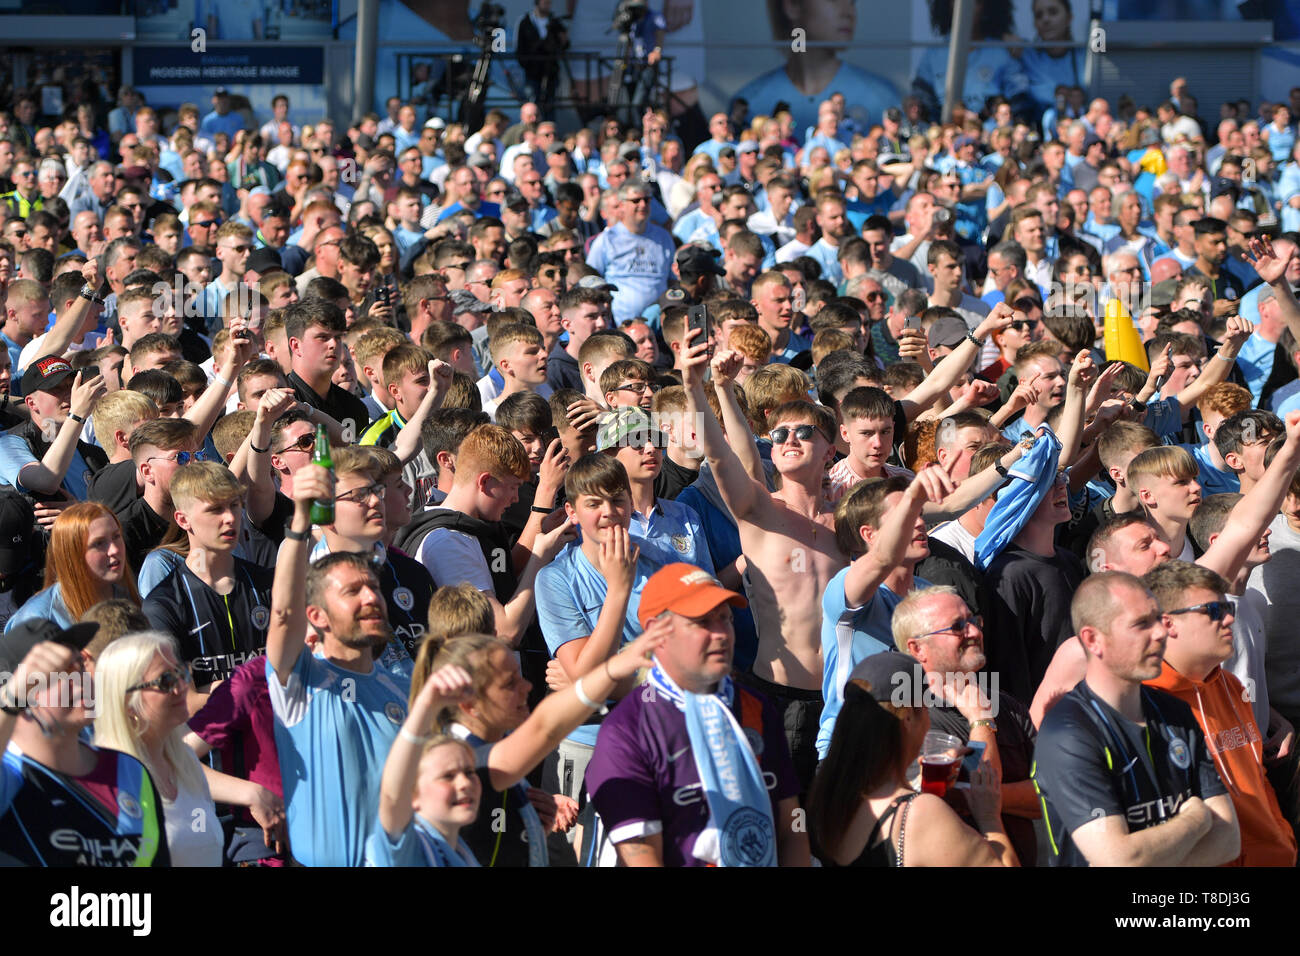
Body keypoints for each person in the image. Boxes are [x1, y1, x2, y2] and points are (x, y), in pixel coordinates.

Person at [584, 562, 811, 867]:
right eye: (703, 622)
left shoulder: (757, 707)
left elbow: (792, 825)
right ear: (656, 633)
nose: (721, 634)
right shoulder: (626, 729)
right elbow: (640, 857)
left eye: (725, 619)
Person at [1032, 571, 1240, 866]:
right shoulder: (1068, 732)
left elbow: (1228, 840)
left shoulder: (1176, 714)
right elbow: (1118, 860)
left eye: (1158, 619)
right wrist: (1195, 820)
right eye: (1141, 624)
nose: (1159, 633)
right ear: (1093, 640)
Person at [264, 463, 412, 867]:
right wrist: (299, 521)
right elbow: (281, 614)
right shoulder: (302, 683)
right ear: (317, 616)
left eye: (372, 588)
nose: (370, 598)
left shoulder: (403, 691)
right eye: (352, 591)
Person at [1142, 560, 1296, 867]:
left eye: (1229, 610)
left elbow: (1256, 777)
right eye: (1213, 612)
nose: (1228, 620)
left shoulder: (1230, 684)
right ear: (1168, 624)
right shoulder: (1145, 702)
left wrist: (1284, 838)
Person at [808, 650, 1018, 867]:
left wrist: (920, 784)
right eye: (925, 709)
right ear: (908, 717)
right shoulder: (919, 815)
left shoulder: (830, 801)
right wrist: (990, 819)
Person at [0, 618, 171, 865]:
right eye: (62, 672)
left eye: (81, 666)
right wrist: (11, 699)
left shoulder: (129, 771)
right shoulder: (11, 777)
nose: (82, 680)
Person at [94, 631, 264, 867]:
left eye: (181, 673)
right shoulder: (110, 784)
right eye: (166, 680)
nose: (183, 686)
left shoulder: (184, 762)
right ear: (128, 704)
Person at [6, 502, 140, 633]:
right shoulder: (38, 618)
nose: (114, 550)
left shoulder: (129, 597)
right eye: (99, 543)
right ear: (72, 553)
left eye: (116, 536)